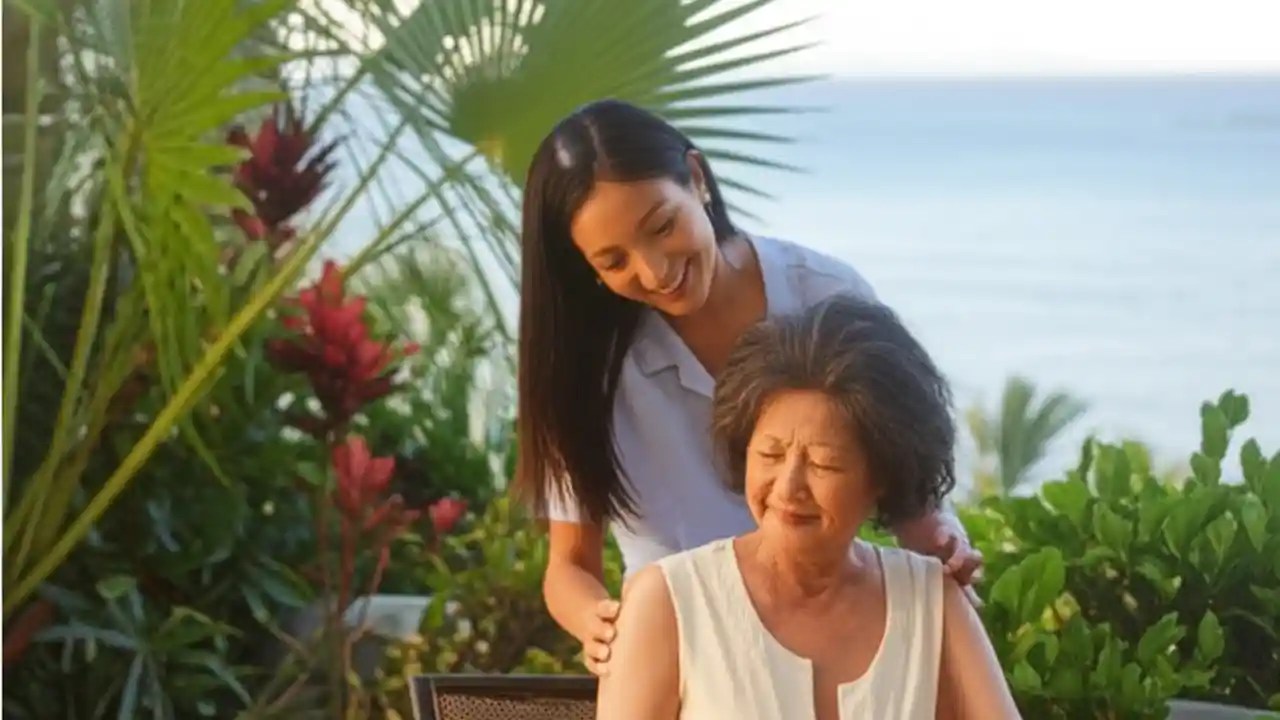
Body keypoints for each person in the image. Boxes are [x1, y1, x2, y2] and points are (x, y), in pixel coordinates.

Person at [516, 98, 983, 675]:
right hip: (684, 662)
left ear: (696, 179)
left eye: (662, 226)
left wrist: (938, 540)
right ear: (587, 268)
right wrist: (599, 621)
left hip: (840, 646)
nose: (655, 270)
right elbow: (569, 567)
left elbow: (907, 487)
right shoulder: (585, 368)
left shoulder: (827, 294)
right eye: (614, 262)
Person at [596, 295, 1020, 720]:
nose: (789, 486)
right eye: (770, 455)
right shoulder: (670, 600)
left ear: (884, 474)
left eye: (824, 463)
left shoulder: (933, 601)